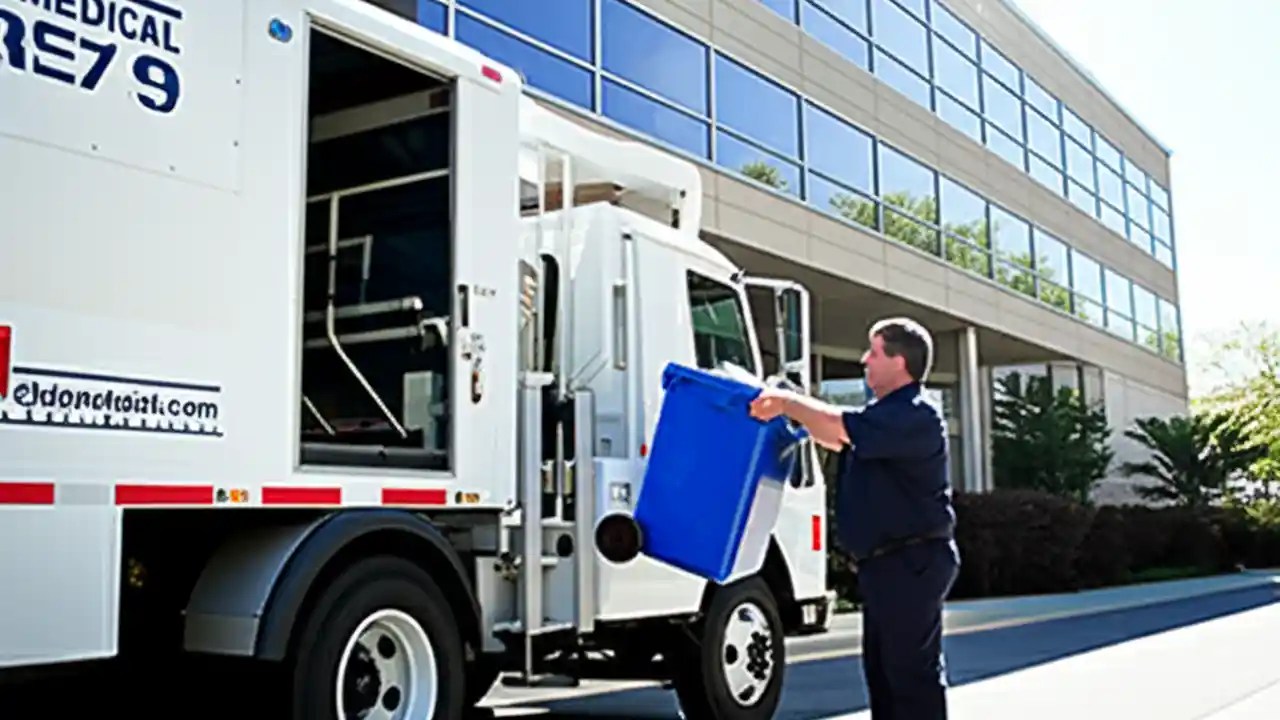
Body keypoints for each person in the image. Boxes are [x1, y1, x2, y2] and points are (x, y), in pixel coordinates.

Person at [749, 317, 959, 719]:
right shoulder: (884, 417)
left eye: (874, 351)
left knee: (910, 678)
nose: (865, 360)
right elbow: (834, 435)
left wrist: (788, 403)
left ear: (899, 362)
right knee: (884, 676)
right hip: (888, 565)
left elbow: (839, 427)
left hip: (911, 562)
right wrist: (793, 411)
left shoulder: (914, 414)